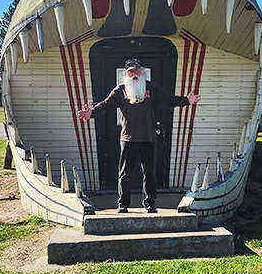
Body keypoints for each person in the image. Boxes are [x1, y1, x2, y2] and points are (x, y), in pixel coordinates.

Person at [79, 58, 200, 213]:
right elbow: (105, 105)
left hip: (148, 139)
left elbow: (168, 99)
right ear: (126, 74)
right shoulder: (120, 90)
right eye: (130, 71)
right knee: (125, 174)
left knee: (149, 174)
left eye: (136, 70)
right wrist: (91, 113)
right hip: (128, 139)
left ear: (142, 71)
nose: (134, 74)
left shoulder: (151, 87)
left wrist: (187, 101)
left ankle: (150, 204)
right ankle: (123, 204)